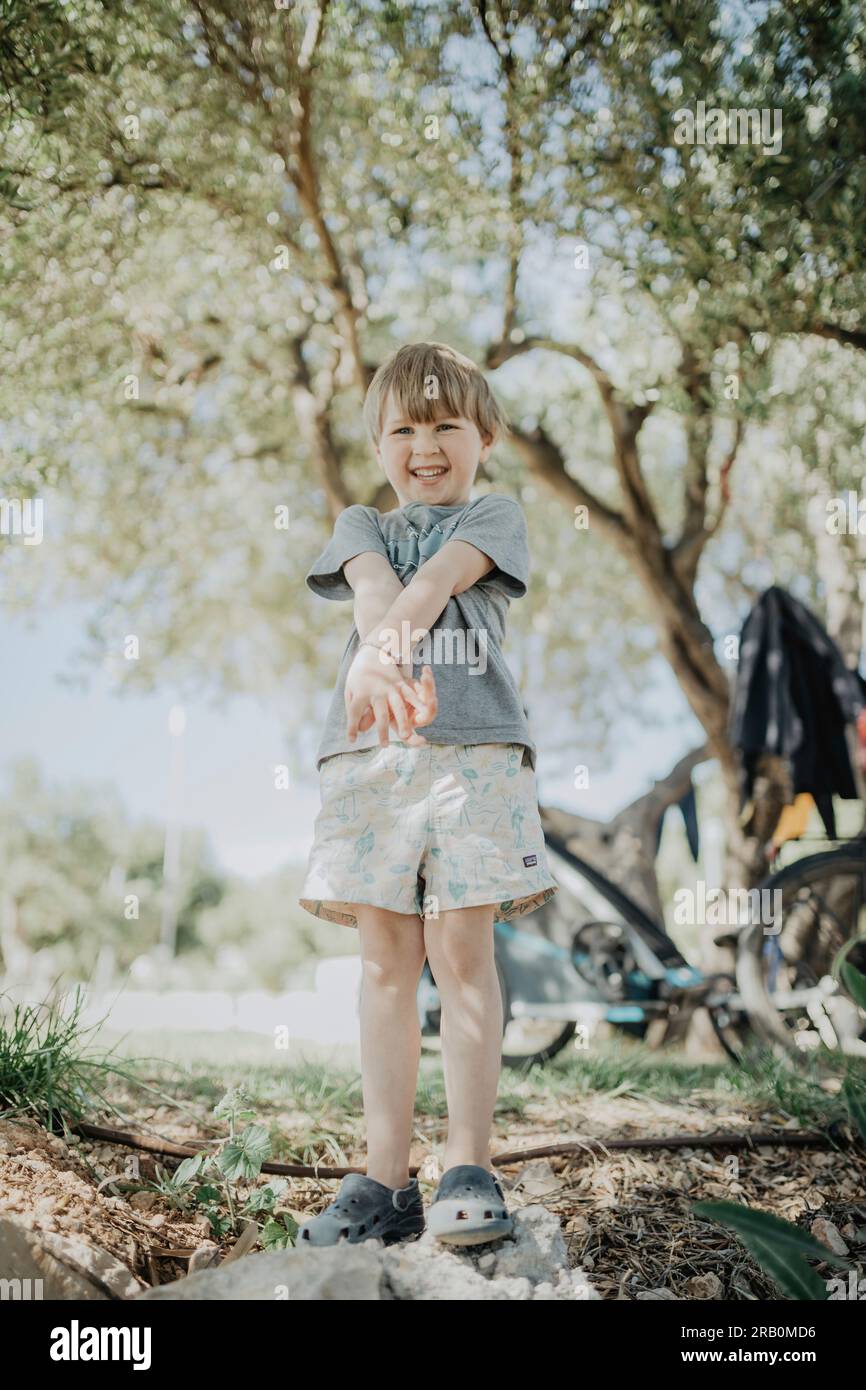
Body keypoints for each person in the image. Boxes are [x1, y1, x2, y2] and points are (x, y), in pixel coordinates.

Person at [297, 341, 559, 1248]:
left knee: (463, 952)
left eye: (447, 423)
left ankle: (469, 1163)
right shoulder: (359, 523)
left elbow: (442, 580)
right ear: (379, 444)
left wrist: (388, 651)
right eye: (404, 428)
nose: (427, 443)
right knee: (383, 961)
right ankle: (382, 1178)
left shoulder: (494, 514)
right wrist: (379, 651)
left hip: (475, 757)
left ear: (482, 434)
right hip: (371, 762)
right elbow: (374, 588)